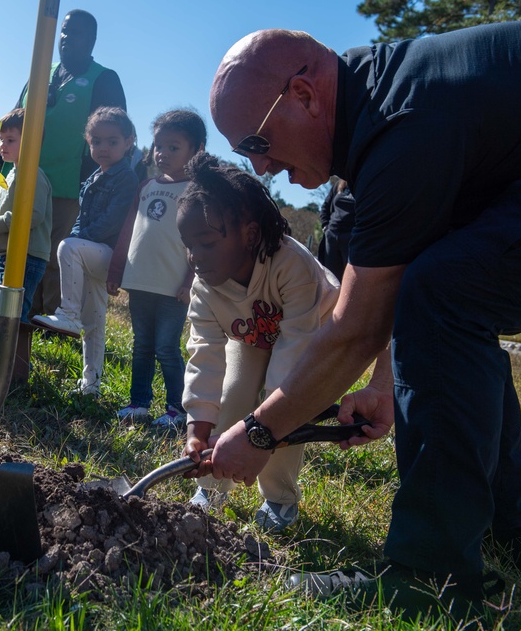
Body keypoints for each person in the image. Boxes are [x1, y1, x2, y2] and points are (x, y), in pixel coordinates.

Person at [205, 24, 521, 619]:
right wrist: (385, 384)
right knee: (452, 287)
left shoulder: (405, 124)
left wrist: (259, 432)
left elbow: (356, 328)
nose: (259, 168)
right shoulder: (377, 120)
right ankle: (510, 538)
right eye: (244, 152)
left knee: (449, 290)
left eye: (257, 141)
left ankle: (432, 576)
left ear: (304, 95)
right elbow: (389, 286)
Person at [176, 153, 339, 530]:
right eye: (190, 246)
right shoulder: (205, 287)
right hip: (254, 339)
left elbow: (293, 352)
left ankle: (281, 500)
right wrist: (197, 430)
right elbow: (204, 355)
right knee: (232, 396)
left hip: (313, 340)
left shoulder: (290, 265)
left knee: (281, 411)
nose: (196, 258)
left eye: (207, 244)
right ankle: (211, 488)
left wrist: (264, 429)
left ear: (249, 234)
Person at [15, 10, 126, 318]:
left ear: (91, 41)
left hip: (71, 188)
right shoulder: (40, 72)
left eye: (75, 33)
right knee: (22, 253)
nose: (66, 38)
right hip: (27, 183)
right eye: (63, 32)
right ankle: (22, 313)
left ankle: (51, 319)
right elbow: (14, 122)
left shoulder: (103, 79)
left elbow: (116, 133)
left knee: (55, 257)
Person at [106, 109, 205, 427]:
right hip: (140, 282)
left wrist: (190, 281)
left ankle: (177, 409)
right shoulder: (145, 186)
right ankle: (138, 404)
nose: (162, 153)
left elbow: (200, 243)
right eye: (158, 146)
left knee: (166, 348)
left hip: (172, 288)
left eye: (173, 147)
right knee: (141, 346)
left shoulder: (196, 192)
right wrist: (116, 269)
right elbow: (128, 231)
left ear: (196, 150)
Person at [32, 107, 138, 397]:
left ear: (128, 142)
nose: (103, 148)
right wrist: (78, 238)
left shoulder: (126, 178)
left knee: (68, 246)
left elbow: (112, 223)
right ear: (88, 142)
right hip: (92, 250)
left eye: (112, 141)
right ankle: (91, 383)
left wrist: (76, 241)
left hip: (109, 254)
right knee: (95, 321)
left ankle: (68, 314)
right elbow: (82, 218)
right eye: (96, 141)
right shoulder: (93, 178)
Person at [0, 108, 53, 380]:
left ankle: (13, 372)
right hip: (7, 256)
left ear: (32, 140)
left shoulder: (32, 175)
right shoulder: (10, 173)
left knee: (12, 317)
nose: (2, 145)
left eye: (10, 139)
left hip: (27, 257)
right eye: (1, 139)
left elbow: (30, 215)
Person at [316, 177, 354, 280]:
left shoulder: (361, 185)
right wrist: (325, 226)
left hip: (351, 237)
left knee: (349, 276)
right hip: (332, 235)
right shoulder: (339, 185)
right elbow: (325, 206)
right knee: (331, 276)